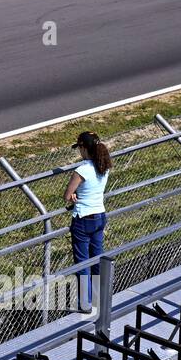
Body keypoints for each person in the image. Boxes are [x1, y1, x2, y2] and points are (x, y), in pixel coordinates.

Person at [63, 131, 112, 315]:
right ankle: (101, 297)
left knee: (82, 262)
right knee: (97, 257)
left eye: (79, 148)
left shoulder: (82, 170)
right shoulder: (104, 166)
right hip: (100, 215)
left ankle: (85, 302)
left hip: (83, 219)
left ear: (84, 148)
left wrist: (74, 196)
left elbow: (67, 196)